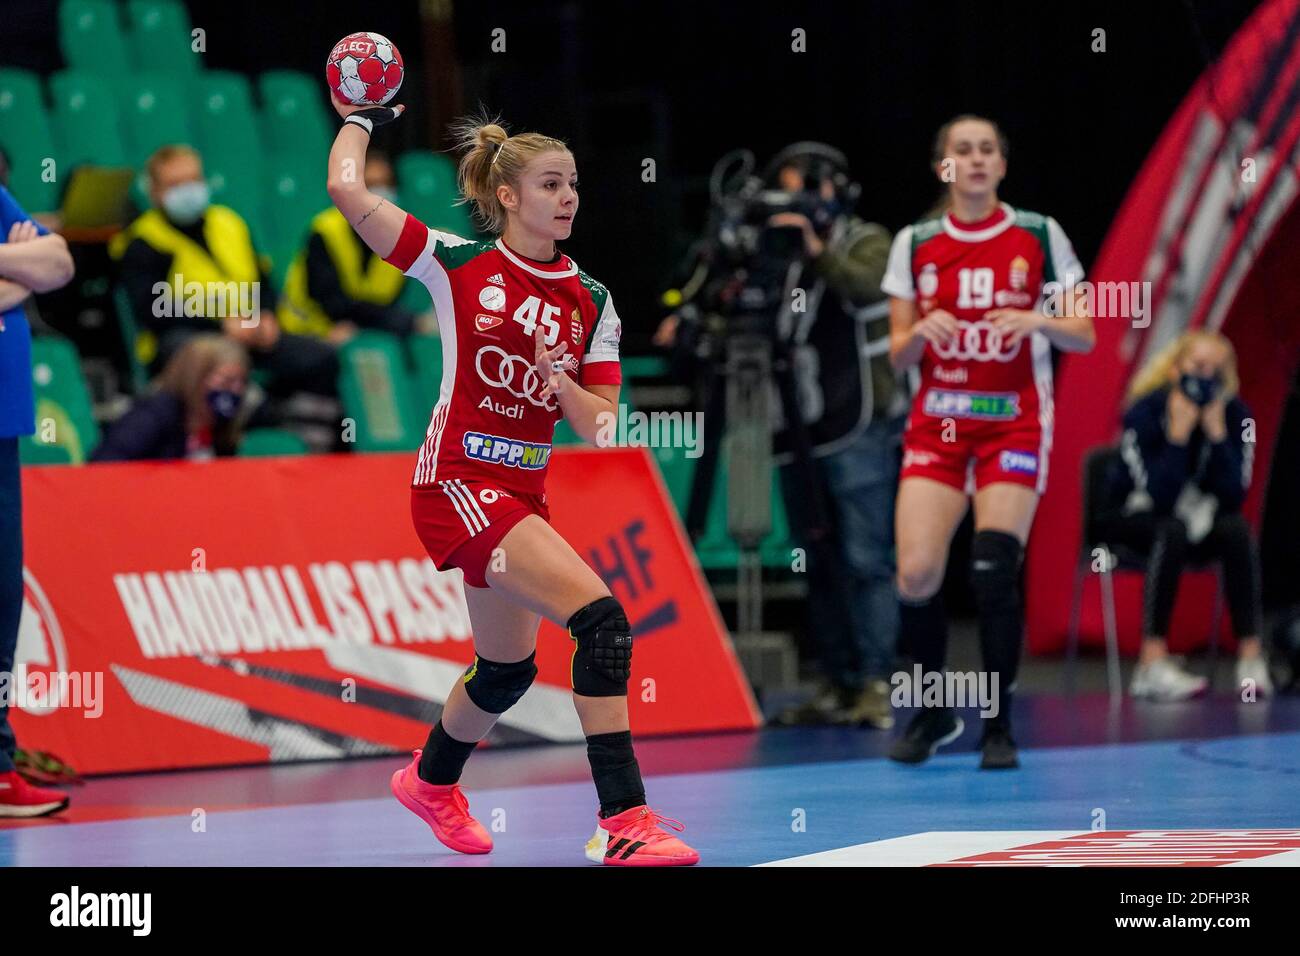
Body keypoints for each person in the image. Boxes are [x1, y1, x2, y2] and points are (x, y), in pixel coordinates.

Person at [325, 98, 698, 865]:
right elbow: (348, 193)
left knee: (507, 669)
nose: (568, 199)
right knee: (603, 623)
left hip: (523, 489)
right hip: (457, 482)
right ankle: (623, 820)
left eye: (572, 186)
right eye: (551, 185)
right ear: (507, 196)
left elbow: (602, 426)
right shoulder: (458, 263)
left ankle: (430, 783)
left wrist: (556, 381)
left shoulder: (592, 299)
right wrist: (361, 116)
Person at [882, 114, 1095, 769]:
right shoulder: (915, 242)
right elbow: (895, 354)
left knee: (993, 567)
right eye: (961, 151)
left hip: (1012, 421)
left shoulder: (1037, 233)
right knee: (916, 571)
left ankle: (999, 723)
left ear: (1002, 165)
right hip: (938, 425)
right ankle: (932, 709)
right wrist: (922, 334)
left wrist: (1038, 319)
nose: (974, 161)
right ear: (942, 165)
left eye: (986, 151)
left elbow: (1084, 331)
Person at [1107, 330, 1268, 700]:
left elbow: (1233, 494)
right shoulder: (1143, 412)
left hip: (1194, 521)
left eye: (1216, 370)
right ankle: (1151, 662)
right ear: (1176, 369)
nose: (1206, 377)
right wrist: (1178, 438)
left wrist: (1215, 435)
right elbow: (1158, 497)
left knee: (1235, 529)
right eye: (1198, 367)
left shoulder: (1237, 417)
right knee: (1171, 529)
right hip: (1135, 516)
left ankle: (1250, 657)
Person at [111, 144, 338, 398]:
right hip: (193, 340)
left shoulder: (230, 223)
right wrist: (221, 325)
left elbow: (263, 282)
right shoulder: (142, 242)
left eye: (194, 180)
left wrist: (265, 317)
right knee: (204, 356)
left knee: (321, 357)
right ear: (154, 192)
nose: (188, 191)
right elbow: (153, 309)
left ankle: (290, 423)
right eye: (175, 184)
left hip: (250, 333)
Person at [0, 181, 75, 817]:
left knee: (1, 601)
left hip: (5, 424)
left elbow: (59, 265)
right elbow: (32, 272)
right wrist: (16, 270)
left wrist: (23, 272)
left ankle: (0, 769)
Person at [281, 152, 429, 342]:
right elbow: (332, 302)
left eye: (386, 184)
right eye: (372, 185)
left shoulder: (398, 237)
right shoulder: (325, 231)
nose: (381, 192)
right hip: (310, 328)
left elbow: (388, 300)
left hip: (361, 327)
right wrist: (405, 321)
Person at [92, 334, 250, 462]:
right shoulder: (152, 417)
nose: (235, 390)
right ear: (194, 378)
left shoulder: (223, 427)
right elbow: (103, 466)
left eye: (241, 382)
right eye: (226, 381)